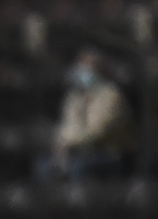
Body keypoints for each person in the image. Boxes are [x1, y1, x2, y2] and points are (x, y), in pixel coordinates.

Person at [48, 51, 128, 180]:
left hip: (105, 153)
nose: (81, 71)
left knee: (79, 167)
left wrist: (65, 139)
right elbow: (67, 123)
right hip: (75, 151)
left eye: (87, 67)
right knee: (44, 166)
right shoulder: (74, 96)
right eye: (80, 66)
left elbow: (97, 132)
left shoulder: (111, 96)